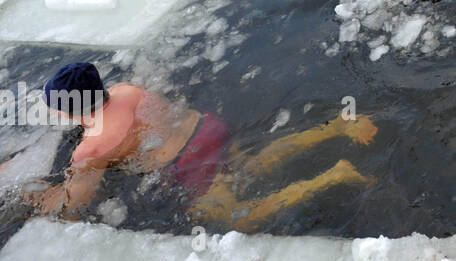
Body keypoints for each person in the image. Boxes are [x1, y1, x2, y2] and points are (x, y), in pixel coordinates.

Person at [23, 62, 377, 230]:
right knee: (255, 162)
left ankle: (333, 176)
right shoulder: (126, 91)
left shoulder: (90, 150)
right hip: (207, 128)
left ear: (67, 109)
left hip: (187, 165)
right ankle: (336, 127)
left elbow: (72, 207)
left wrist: (32, 198)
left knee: (239, 219)